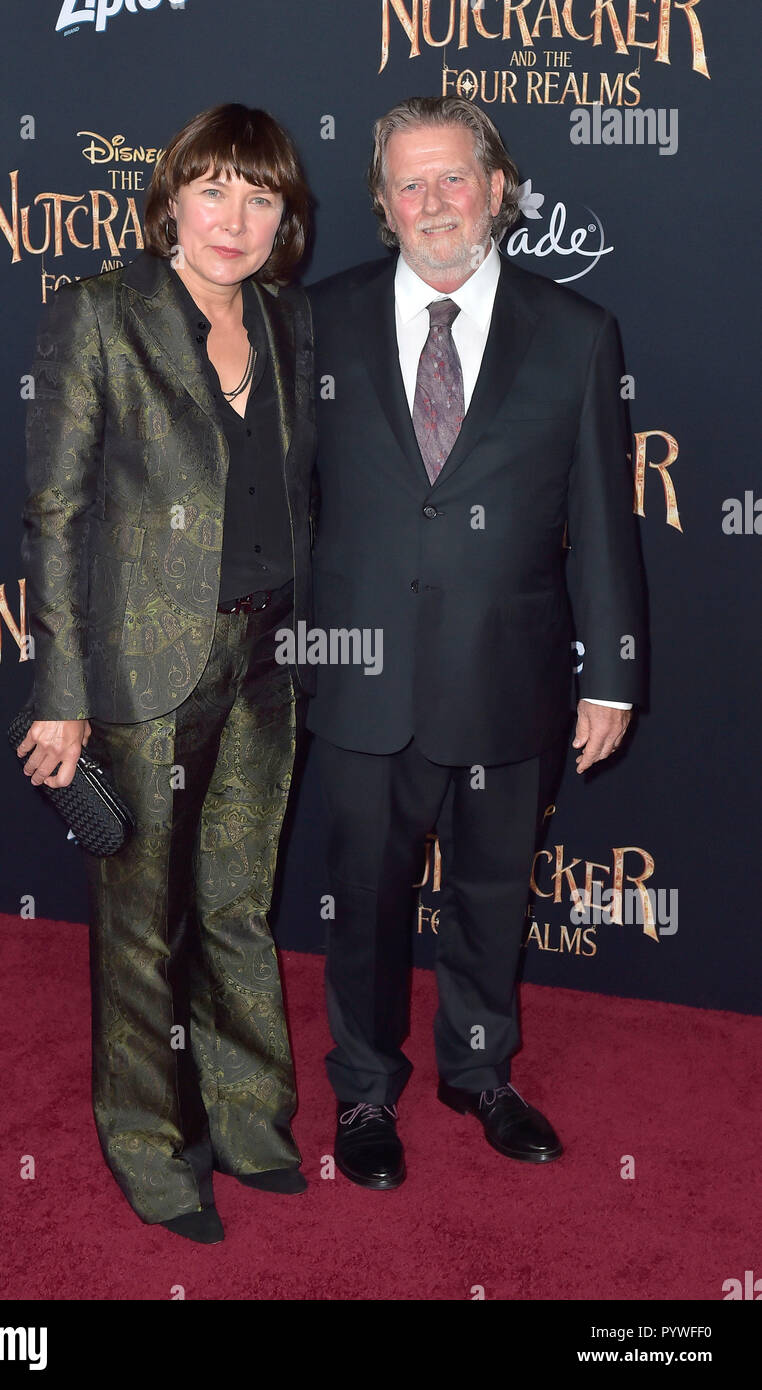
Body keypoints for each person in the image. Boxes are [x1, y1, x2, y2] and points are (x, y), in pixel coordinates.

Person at [306, 96, 648, 1189]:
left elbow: (602, 515)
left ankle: (477, 1069)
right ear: (380, 204)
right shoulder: (318, 319)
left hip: (512, 671)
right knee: (361, 895)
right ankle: (363, 1089)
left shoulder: (577, 332)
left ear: (496, 188)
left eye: (452, 178)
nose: (432, 203)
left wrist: (613, 670)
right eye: (407, 184)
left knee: (495, 887)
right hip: (360, 672)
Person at [18, 104, 316, 1242]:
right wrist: (61, 691)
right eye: (212, 189)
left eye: (260, 197)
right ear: (170, 198)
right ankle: (150, 1148)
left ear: (283, 217)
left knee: (238, 903)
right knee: (143, 921)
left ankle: (248, 1118)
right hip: (142, 668)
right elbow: (54, 514)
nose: (234, 219)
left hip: (263, 658)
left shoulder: (290, 327)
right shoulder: (98, 313)